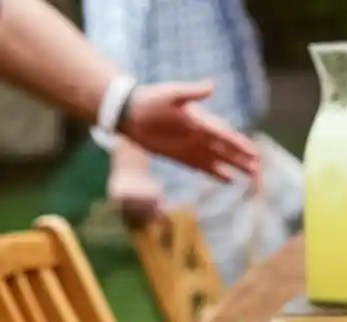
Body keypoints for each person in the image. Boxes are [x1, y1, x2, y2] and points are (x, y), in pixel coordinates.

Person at [83, 0, 302, 286]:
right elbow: (114, 49)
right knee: (246, 299)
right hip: (188, 174)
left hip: (242, 150)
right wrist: (130, 163)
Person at [0, 0, 257, 179]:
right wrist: (130, 162)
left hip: (211, 137)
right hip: (170, 171)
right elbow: (115, 36)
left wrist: (124, 105)